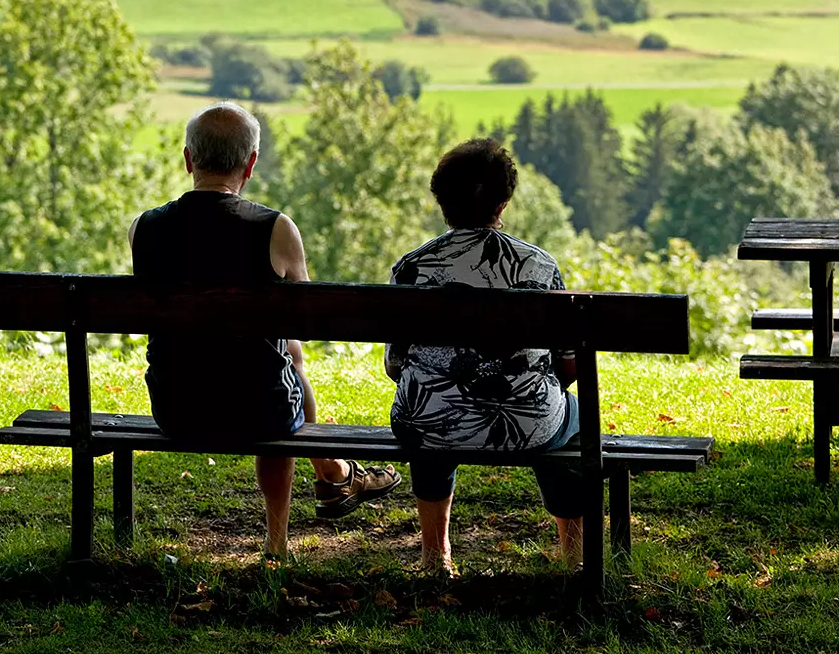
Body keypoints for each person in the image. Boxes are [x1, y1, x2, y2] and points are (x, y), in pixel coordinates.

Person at [129, 102, 400, 560]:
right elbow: (307, 321)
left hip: (176, 408)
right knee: (282, 362)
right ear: (251, 163)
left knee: (277, 360)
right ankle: (282, 536)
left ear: (188, 159)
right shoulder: (275, 228)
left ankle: (335, 475)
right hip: (261, 409)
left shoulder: (145, 228)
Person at [384, 138, 581, 574]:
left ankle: (436, 556)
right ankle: (574, 555)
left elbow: (396, 366)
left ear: (442, 200)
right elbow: (568, 365)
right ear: (504, 202)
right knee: (572, 417)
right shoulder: (539, 268)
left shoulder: (412, 268)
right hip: (527, 422)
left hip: (428, 420)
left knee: (427, 411)